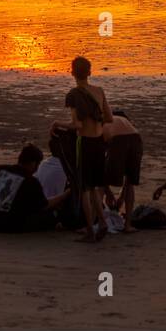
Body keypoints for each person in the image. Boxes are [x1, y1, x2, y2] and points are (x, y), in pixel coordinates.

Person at [51, 56, 114, 242]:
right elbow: (109, 118)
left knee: (85, 189)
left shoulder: (73, 94)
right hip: (99, 143)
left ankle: (90, 229)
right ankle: (101, 221)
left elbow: (77, 125)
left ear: (72, 72)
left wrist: (56, 123)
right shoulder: (99, 91)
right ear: (90, 72)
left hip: (84, 143)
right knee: (95, 186)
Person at [0, 143, 70, 233]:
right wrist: (64, 195)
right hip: (8, 225)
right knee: (52, 215)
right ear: (33, 163)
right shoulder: (30, 181)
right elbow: (44, 205)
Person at [103, 111, 143, 227]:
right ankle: (128, 225)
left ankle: (100, 222)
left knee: (99, 183)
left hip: (117, 139)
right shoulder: (128, 125)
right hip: (137, 139)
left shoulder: (106, 122)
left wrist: (108, 194)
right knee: (130, 181)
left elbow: (99, 169)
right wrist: (121, 196)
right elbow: (128, 180)